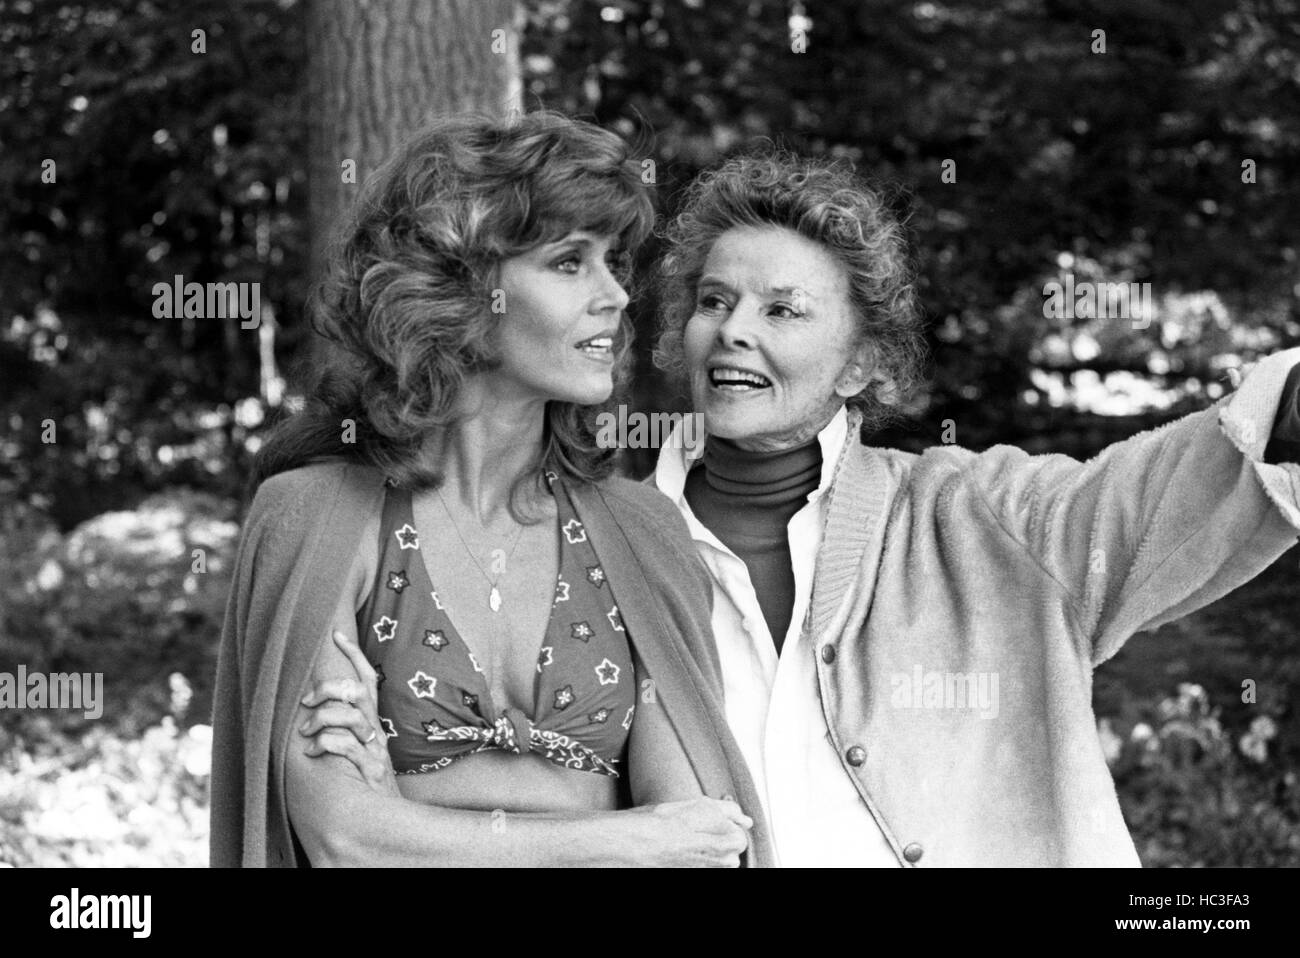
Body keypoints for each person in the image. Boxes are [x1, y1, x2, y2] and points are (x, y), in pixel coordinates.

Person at [645, 149, 1300, 866]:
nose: (734, 328)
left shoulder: (980, 521)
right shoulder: (608, 546)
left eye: (782, 309)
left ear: (858, 365)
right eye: (714, 300)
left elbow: (1149, 495)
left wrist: (1288, 405)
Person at [208, 111, 772, 868]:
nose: (614, 296)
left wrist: (406, 814)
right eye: (570, 263)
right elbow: (342, 840)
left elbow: (697, 843)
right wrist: (622, 837)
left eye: (614, 263)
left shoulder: (645, 533)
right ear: (460, 287)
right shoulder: (316, 516)